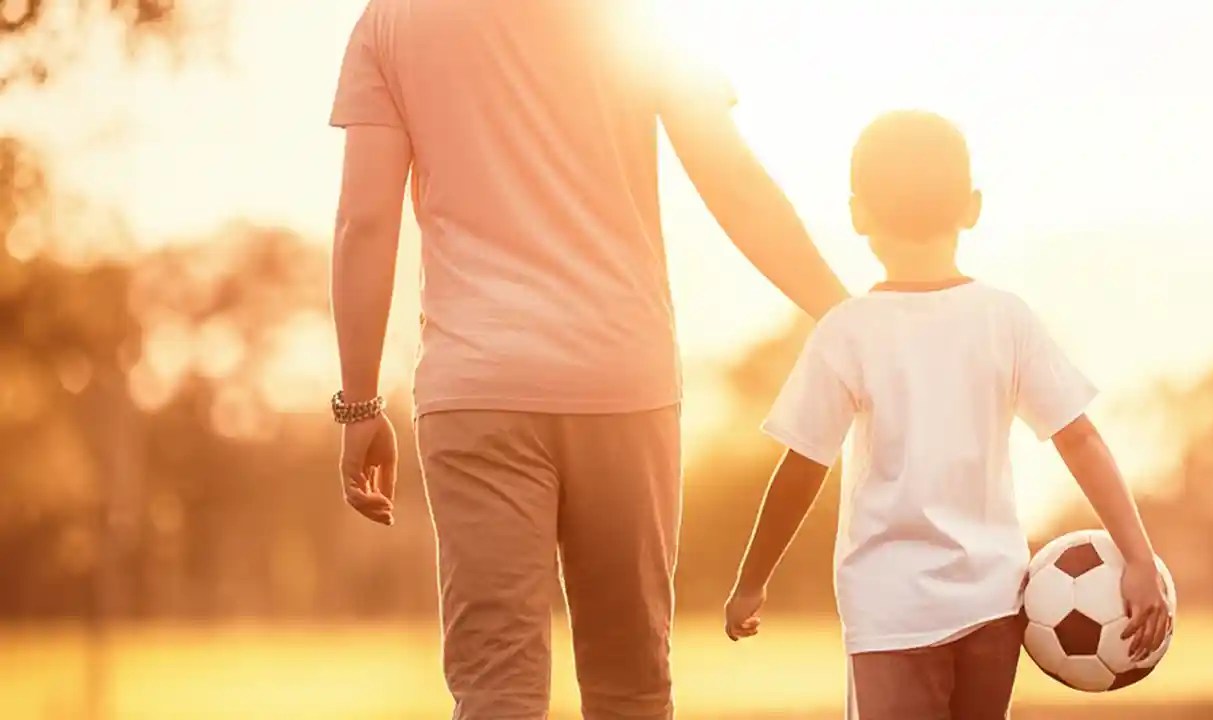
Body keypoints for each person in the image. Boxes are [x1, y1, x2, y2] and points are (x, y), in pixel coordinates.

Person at [326, 1, 848, 718]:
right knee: (631, 689)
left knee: (495, 689)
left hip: (478, 392)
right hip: (623, 384)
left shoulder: (391, 20)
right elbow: (731, 179)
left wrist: (359, 404)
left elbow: (365, 220)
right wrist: (846, 314)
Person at [722, 110, 1173, 719]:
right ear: (972, 207)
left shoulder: (847, 332)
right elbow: (1081, 438)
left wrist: (752, 580)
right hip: (993, 602)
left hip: (890, 610)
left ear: (858, 215)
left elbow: (803, 467)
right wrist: (1138, 557)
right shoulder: (1005, 318)